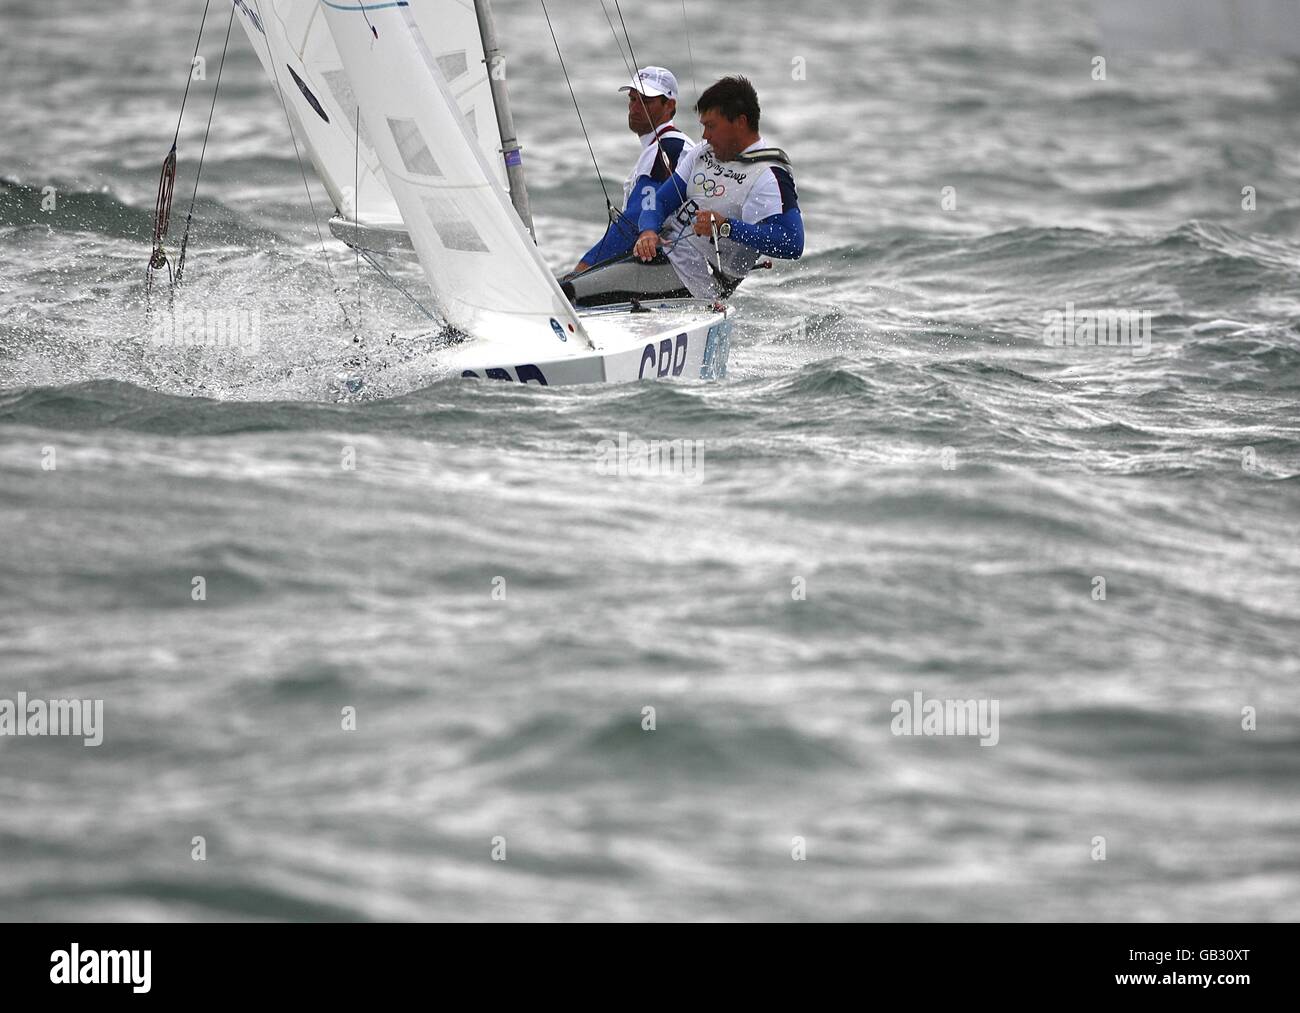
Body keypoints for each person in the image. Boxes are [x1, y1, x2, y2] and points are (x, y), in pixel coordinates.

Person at [631, 75, 803, 301]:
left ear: (740, 123)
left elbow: (792, 243)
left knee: (578, 296)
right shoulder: (702, 153)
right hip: (664, 256)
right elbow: (659, 201)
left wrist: (725, 227)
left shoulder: (770, 175)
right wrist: (648, 231)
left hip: (698, 280)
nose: (704, 136)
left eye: (711, 126)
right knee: (576, 287)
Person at [561, 67, 696, 307]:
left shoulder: (668, 148)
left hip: (675, 268)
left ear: (670, 106)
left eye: (646, 101)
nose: (635, 108)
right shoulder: (668, 146)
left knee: (567, 292)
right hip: (674, 264)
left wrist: (585, 266)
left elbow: (634, 221)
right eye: (632, 99)